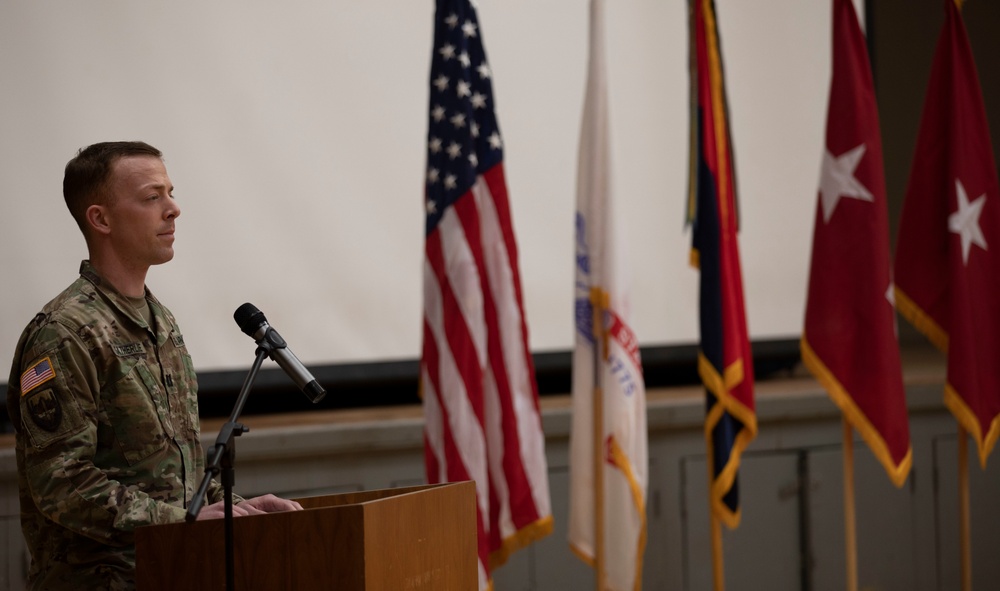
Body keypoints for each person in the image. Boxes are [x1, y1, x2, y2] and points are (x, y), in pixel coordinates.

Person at [6, 141, 302, 590]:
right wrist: (185, 520)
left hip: (174, 570)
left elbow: (174, 476)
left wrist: (234, 511)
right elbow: (63, 486)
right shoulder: (65, 333)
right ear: (100, 219)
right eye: (152, 197)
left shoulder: (160, 321)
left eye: (171, 192)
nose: (174, 209)